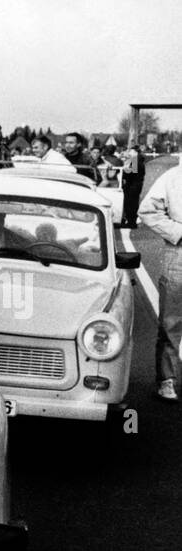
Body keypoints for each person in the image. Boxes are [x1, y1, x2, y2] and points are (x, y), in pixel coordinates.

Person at [138, 161, 182, 401]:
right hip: (179, 254)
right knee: (172, 321)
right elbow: (146, 211)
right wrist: (177, 232)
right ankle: (167, 380)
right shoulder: (173, 177)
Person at [121, 139, 144, 227]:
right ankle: (131, 221)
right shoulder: (138, 159)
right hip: (136, 184)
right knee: (133, 203)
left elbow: (131, 173)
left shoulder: (134, 160)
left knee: (130, 203)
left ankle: (131, 222)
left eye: (130, 151)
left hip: (132, 185)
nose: (129, 152)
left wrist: (124, 171)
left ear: (134, 152)